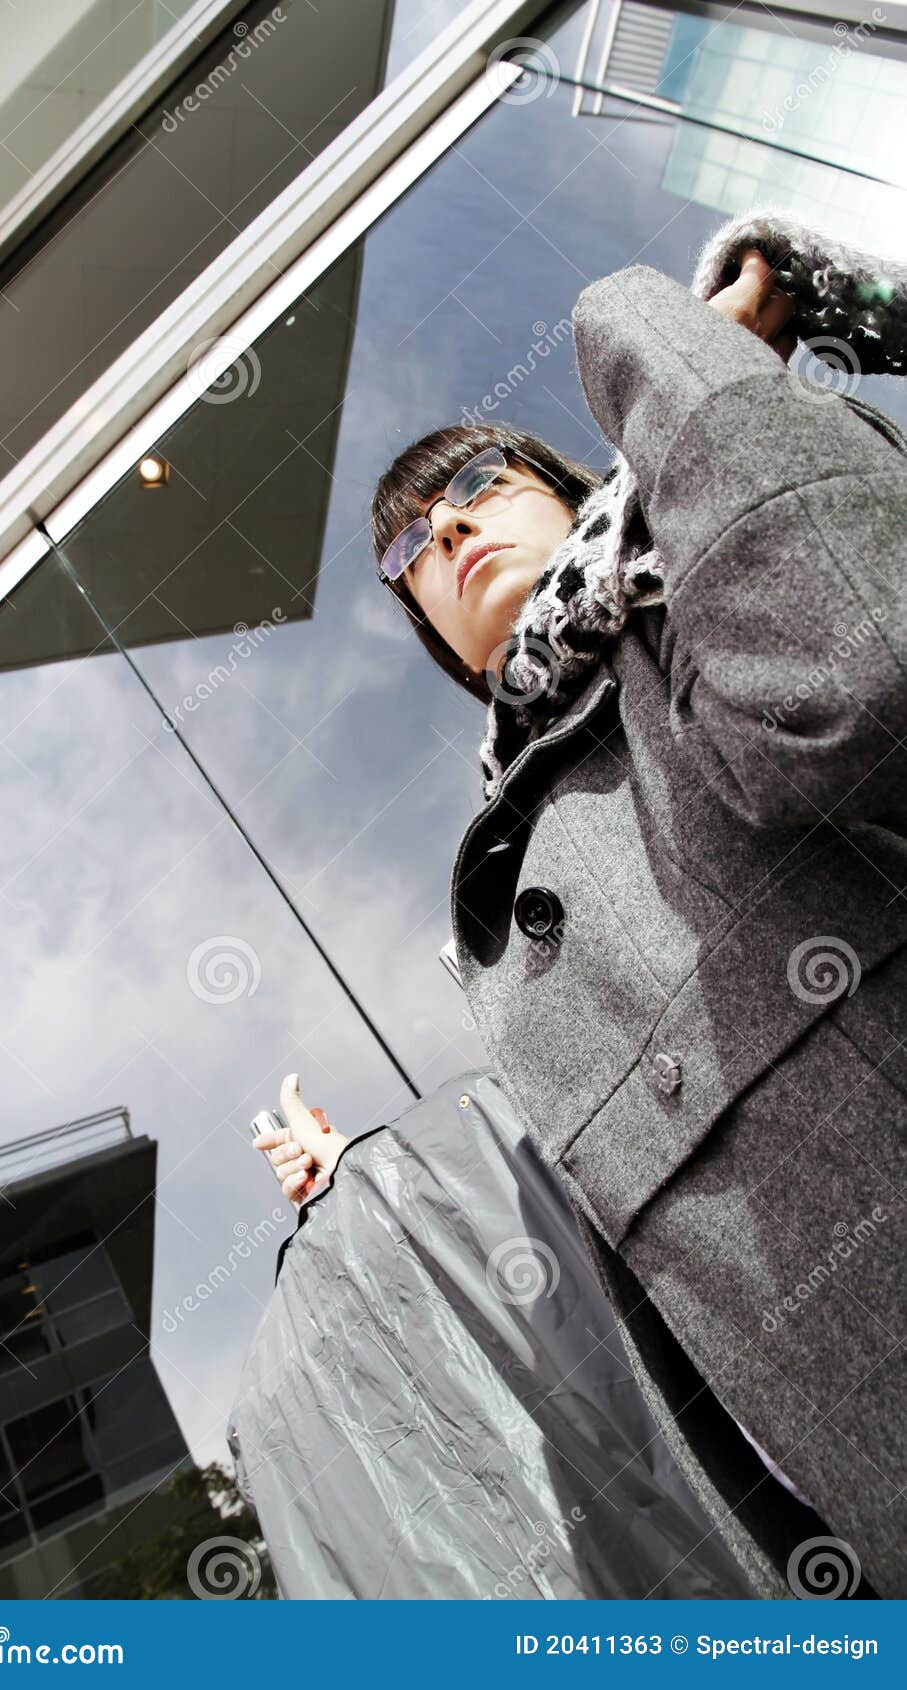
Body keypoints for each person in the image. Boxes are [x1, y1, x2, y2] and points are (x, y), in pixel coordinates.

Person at [254, 242, 907, 1599]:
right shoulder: (508, 875)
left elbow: (855, 682)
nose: (445, 529)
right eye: (410, 543)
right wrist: (364, 1184)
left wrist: (654, 341)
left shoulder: (680, 588)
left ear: (572, 485)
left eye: (479, 486)